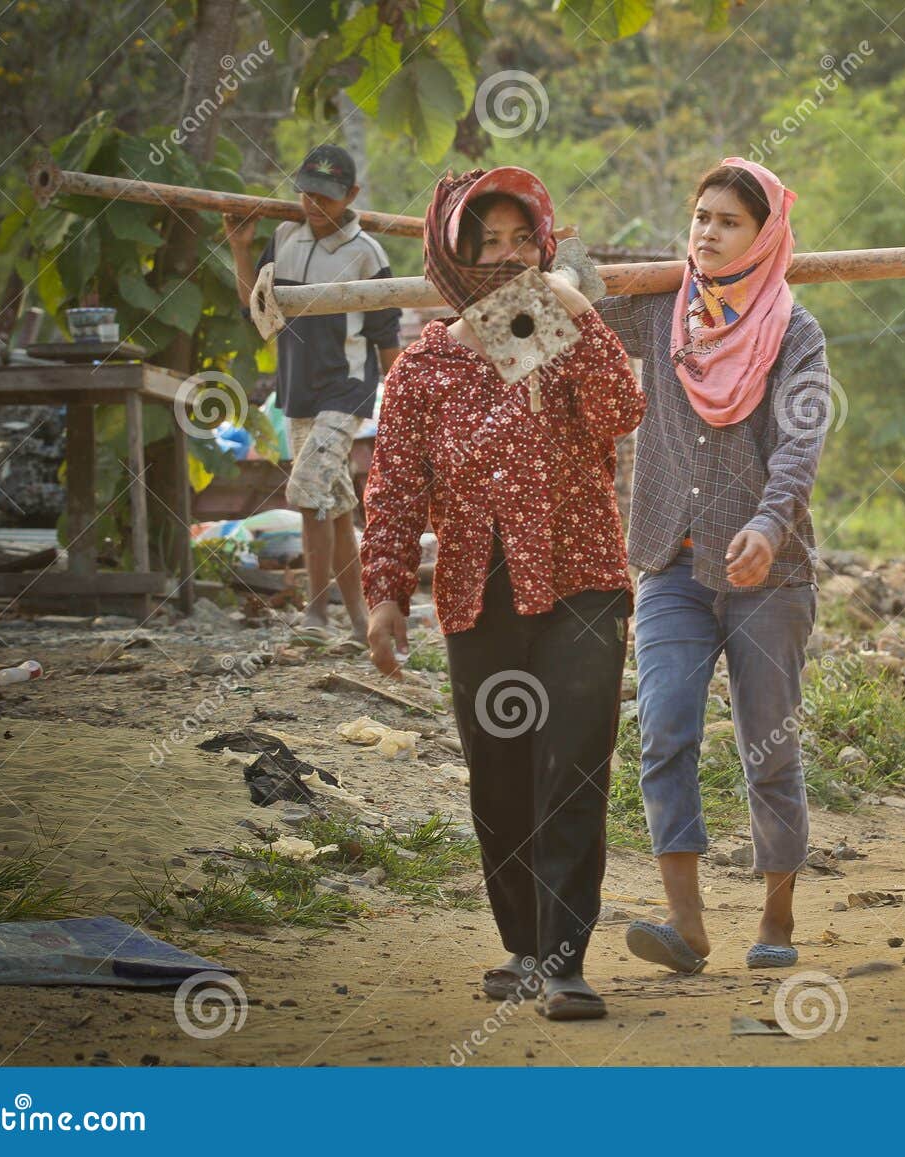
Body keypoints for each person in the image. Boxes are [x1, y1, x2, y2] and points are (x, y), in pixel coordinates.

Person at [359, 167, 646, 1021]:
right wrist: (382, 595)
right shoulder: (423, 368)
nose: (511, 258)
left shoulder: (553, 329)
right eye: (489, 244)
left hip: (581, 575)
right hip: (476, 586)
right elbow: (396, 489)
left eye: (526, 240)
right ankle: (521, 945)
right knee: (500, 773)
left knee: (573, 763)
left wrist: (579, 310)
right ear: (454, 258)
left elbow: (622, 409)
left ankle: (565, 961)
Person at [596, 159, 832, 974]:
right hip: (670, 562)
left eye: (729, 221)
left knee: (769, 749)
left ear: (764, 236)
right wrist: (546, 262)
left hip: (771, 577)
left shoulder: (795, 331)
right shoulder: (659, 309)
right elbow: (568, 318)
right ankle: (686, 923)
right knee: (663, 728)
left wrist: (770, 525)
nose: (708, 232)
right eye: (701, 216)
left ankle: (776, 916)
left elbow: (802, 438)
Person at [225, 143, 403, 647]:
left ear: (351, 195)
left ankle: (315, 616)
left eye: (326, 197)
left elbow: (387, 340)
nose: (312, 204)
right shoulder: (283, 238)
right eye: (305, 192)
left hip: (345, 393)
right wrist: (241, 249)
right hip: (297, 394)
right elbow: (257, 310)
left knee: (306, 493)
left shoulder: (368, 254)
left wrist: (404, 407)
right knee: (333, 506)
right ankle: (357, 621)